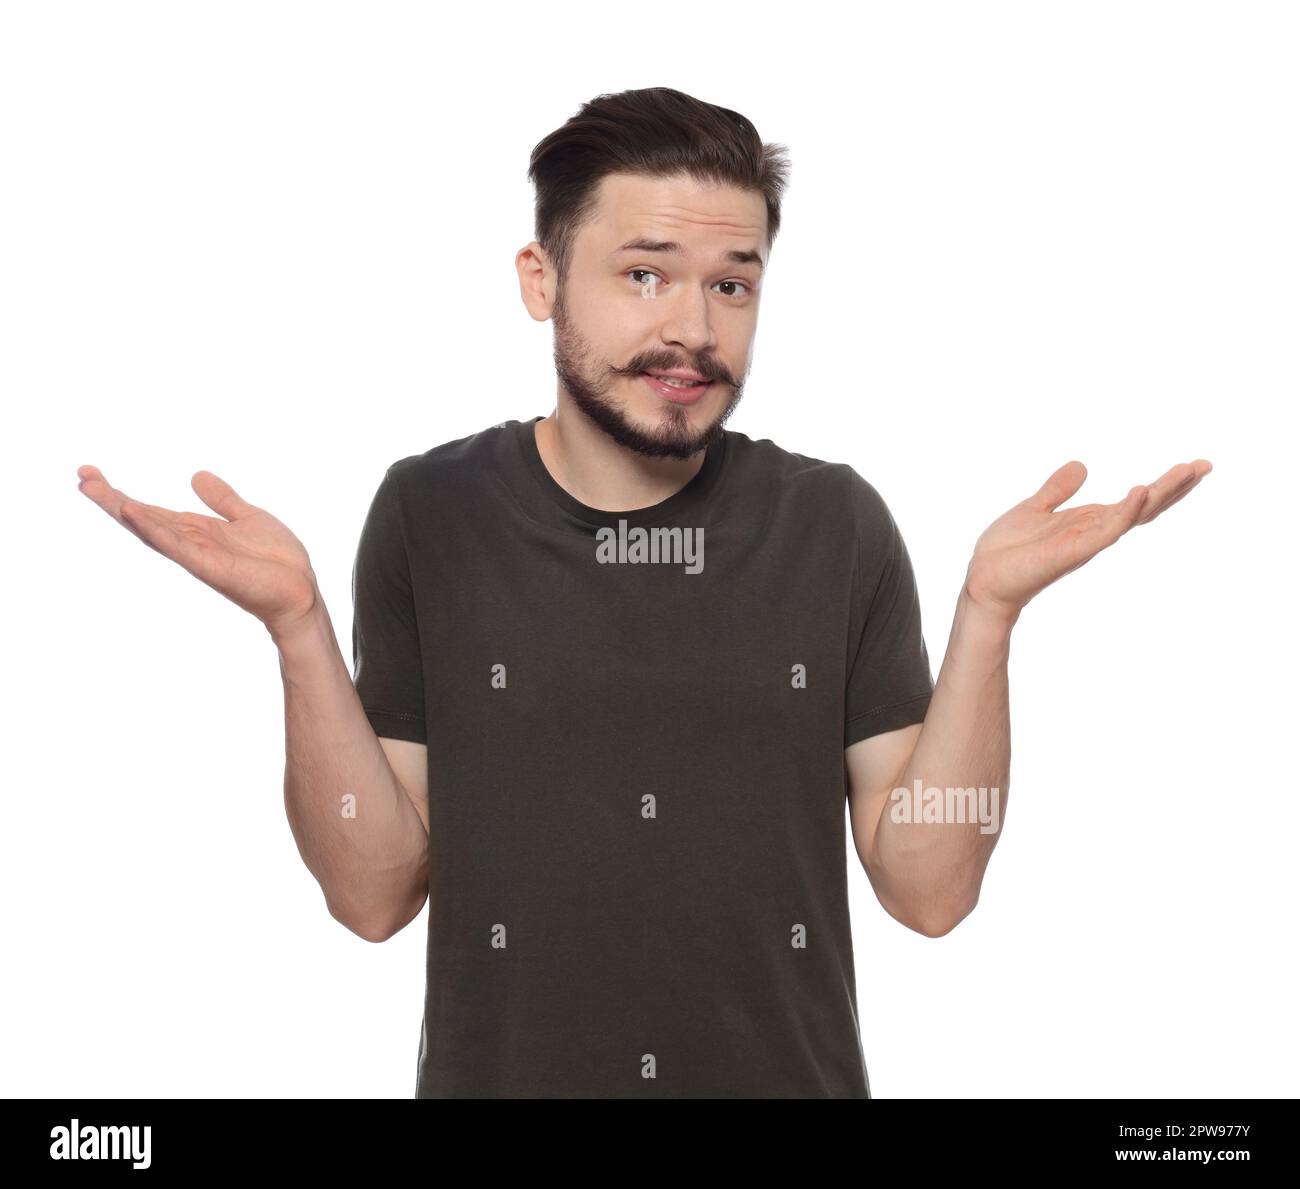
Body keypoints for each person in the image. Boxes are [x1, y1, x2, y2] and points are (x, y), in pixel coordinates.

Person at [77, 86, 1211, 1099]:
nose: (693, 330)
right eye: (642, 274)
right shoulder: (432, 512)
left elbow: (928, 888)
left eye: (732, 284)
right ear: (541, 279)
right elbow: (373, 895)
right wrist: (299, 631)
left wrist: (987, 618)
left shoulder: (833, 521)